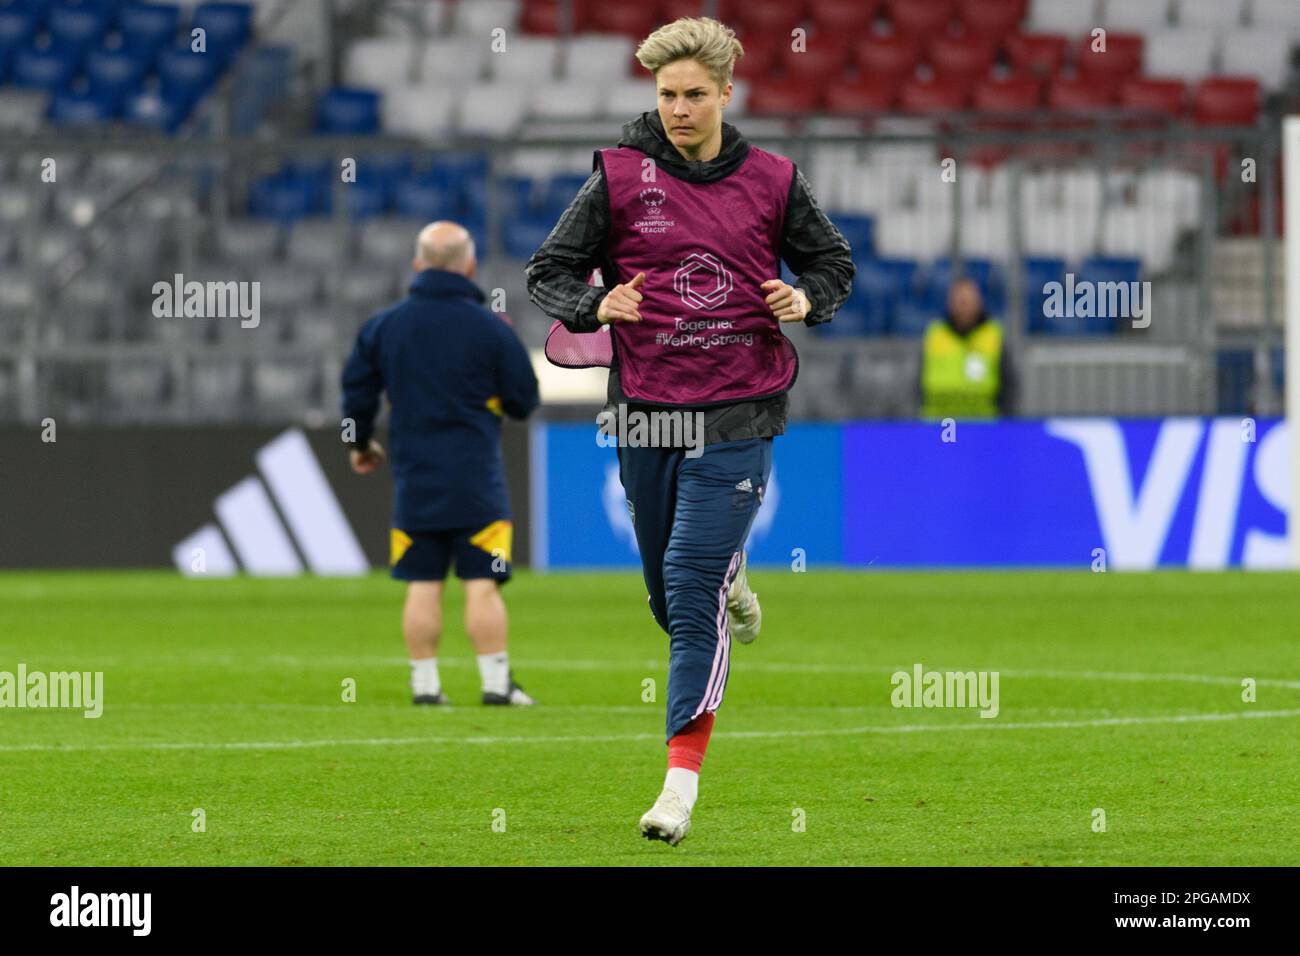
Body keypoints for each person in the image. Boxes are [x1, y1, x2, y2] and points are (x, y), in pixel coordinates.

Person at [525, 17, 855, 845]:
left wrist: (806, 298)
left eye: (693, 95)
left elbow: (834, 264)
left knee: (688, 582)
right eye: (666, 95)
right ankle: (732, 577)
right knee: (670, 601)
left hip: (742, 408)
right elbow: (547, 271)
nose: (677, 108)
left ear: (725, 93)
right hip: (644, 411)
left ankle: (678, 785)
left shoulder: (775, 180)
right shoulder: (618, 176)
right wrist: (594, 302)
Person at [343, 221, 540, 707]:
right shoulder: (491, 326)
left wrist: (361, 443)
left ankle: (425, 687)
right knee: (482, 582)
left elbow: (356, 393)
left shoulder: (384, 325)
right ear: (469, 266)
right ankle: (496, 684)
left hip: (415, 477)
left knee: (423, 582)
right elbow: (524, 399)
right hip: (477, 479)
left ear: (418, 265)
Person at [918, 277, 1017, 419]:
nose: (964, 307)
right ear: (950, 303)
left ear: (979, 302)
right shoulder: (935, 334)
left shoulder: (993, 334)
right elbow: (918, 383)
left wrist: (1006, 422)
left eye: (968, 301)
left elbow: (1009, 384)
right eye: (959, 301)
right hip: (938, 423)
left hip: (983, 424)